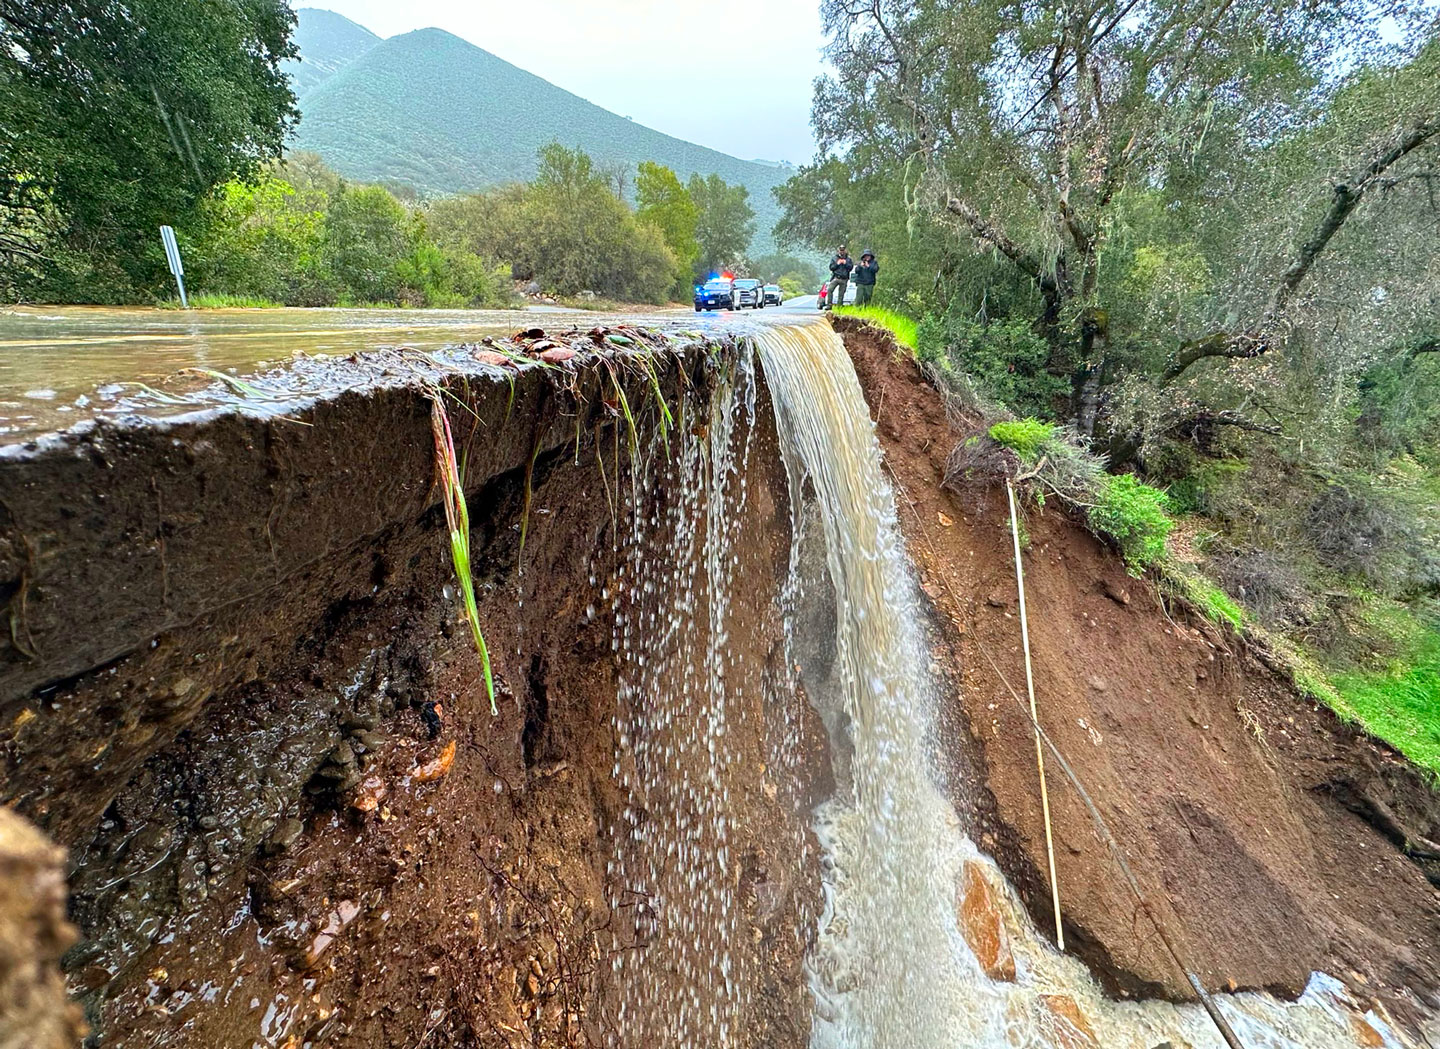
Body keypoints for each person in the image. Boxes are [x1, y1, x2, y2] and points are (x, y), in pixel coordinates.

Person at [826, 245, 853, 310]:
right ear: (838, 251)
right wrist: (837, 264)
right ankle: (829, 305)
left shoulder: (848, 259)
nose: (842, 251)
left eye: (843, 250)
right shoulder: (834, 258)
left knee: (841, 294)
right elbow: (831, 267)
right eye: (840, 250)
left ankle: (839, 306)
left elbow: (850, 268)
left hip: (844, 278)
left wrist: (845, 263)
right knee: (830, 290)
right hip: (836, 277)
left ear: (845, 250)